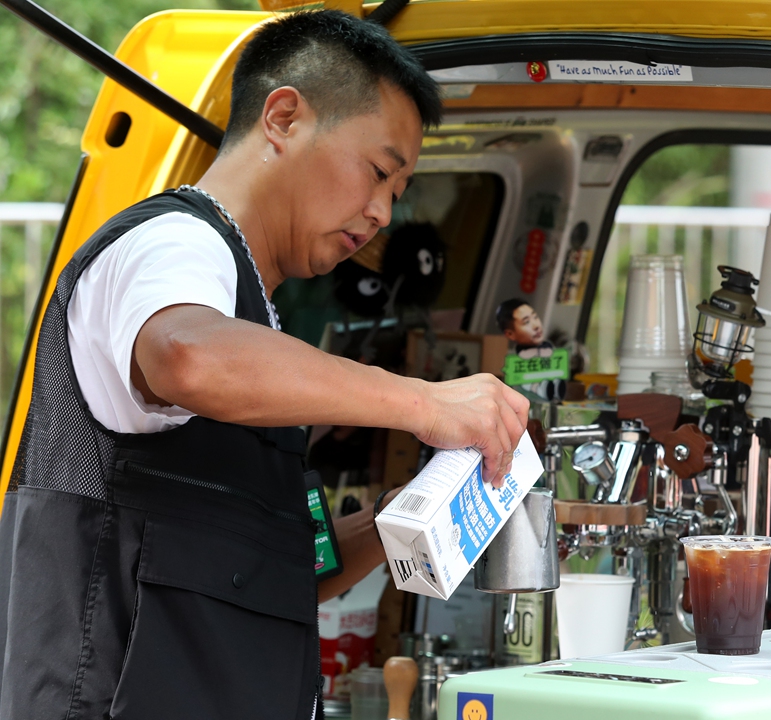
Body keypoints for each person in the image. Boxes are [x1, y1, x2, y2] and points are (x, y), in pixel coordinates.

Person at [0, 11, 528, 720]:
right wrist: (427, 403)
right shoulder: (171, 244)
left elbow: (276, 570)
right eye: (378, 172)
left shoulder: (255, 314)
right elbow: (189, 358)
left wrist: (408, 516)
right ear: (283, 117)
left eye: (396, 195)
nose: (381, 215)